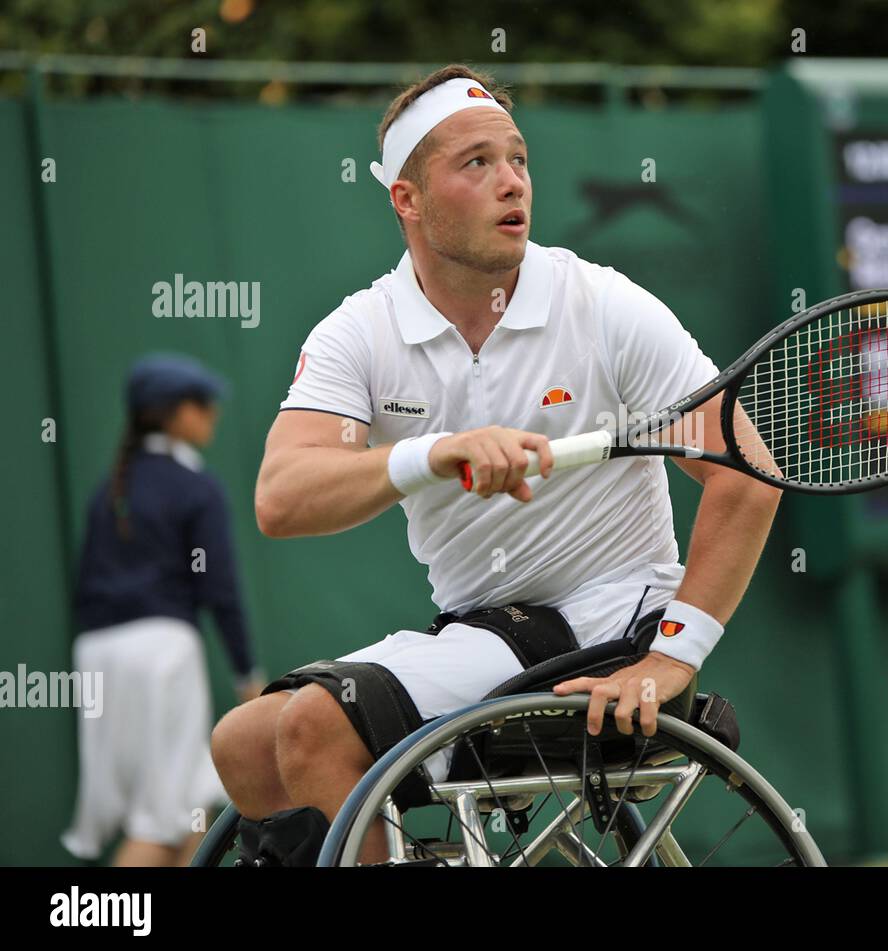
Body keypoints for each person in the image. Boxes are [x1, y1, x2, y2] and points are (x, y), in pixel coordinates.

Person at [211, 64, 782, 866]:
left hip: (613, 629)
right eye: (475, 163)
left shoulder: (603, 305)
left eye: (517, 159)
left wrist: (670, 658)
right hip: (489, 635)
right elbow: (282, 496)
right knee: (243, 741)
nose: (511, 182)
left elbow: (745, 470)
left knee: (312, 724)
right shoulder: (361, 332)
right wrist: (430, 454)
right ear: (407, 200)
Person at [61, 354, 262, 867]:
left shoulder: (109, 491)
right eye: (201, 403)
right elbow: (220, 588)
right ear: (173, 413)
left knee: (187, 807)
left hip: (98, 657)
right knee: (164, 820)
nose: (212, 413)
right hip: (161, 656)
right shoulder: (197, 486)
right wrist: (247, 675)